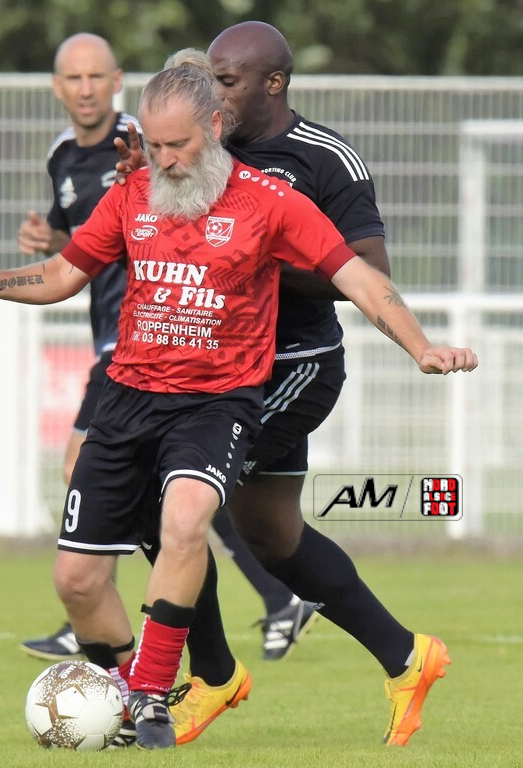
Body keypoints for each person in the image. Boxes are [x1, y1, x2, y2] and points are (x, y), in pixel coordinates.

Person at [0, 52, 477, 749]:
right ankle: (136, 692)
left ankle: (156, 695)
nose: (164, 160)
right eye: (154, 145)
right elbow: (62, 274)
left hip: (217, 402)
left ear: (216, 128)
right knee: (77, 580)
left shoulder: (269, 201)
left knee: (187, 517)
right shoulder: (130, 195)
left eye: (178, 145)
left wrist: (421, 346)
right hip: (127, 401)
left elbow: (361, 278)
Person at [112, 22, 456, 748]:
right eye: (209, 78)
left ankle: (210, 674)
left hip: (291, 365)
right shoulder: (204, 149)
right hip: (213, 367)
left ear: (273, 83)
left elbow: (367, 267)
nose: (214, 92)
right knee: (270, 534)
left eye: (228, 80)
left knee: (161, 497)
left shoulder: (324, 158)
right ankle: (407, 657)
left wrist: (263, 254)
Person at [13, 33, 317, 667]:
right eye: (74, 78)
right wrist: (46, 244)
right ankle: (135, 607)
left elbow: (214, 199)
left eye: (97, 77)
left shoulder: (153, 138)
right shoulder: (65, 156)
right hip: (122, 339)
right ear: (57, 87)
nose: (86, 90)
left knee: (127, 483)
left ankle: (115, 624)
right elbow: (82, 249)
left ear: (118, 80)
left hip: (158, 347)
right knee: (172, 497)